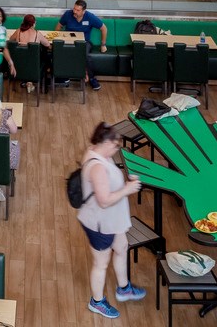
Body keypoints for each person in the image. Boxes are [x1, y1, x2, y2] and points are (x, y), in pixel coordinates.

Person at [77, 122, 146, 318]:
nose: (117, 149)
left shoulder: (98, 153)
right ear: (105, 142)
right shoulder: (97, 166)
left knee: (122, 247)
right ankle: (96, 302)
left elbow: (108, 182)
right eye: (116, 145)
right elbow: (104, 201)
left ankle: (124, 288)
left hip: (111, 220)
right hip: (100, 223)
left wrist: (125, 182)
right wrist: (127, 189)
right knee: (101, 264)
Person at [60, 0, 107, 91]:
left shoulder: (90, 17)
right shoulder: (67, 14)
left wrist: (103, 44)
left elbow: (104, 28)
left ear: (83, 11)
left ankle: (92, 78)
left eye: (78, 10)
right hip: (69, 42)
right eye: (74, 9)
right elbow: (58, 26)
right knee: (60, 52)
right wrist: (60, 39)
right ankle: (64, 75)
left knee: (84, 55)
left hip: (84, 42)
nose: (75, 11)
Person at [10, 13, 51, 93]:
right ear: (33, 23)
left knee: (26, 60)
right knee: (46, 58)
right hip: (34, 66)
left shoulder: (18, 31)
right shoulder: (37, 33)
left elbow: (11, 39)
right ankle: (41, 85)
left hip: (19, 65)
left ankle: (28, 82)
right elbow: (48, 45)